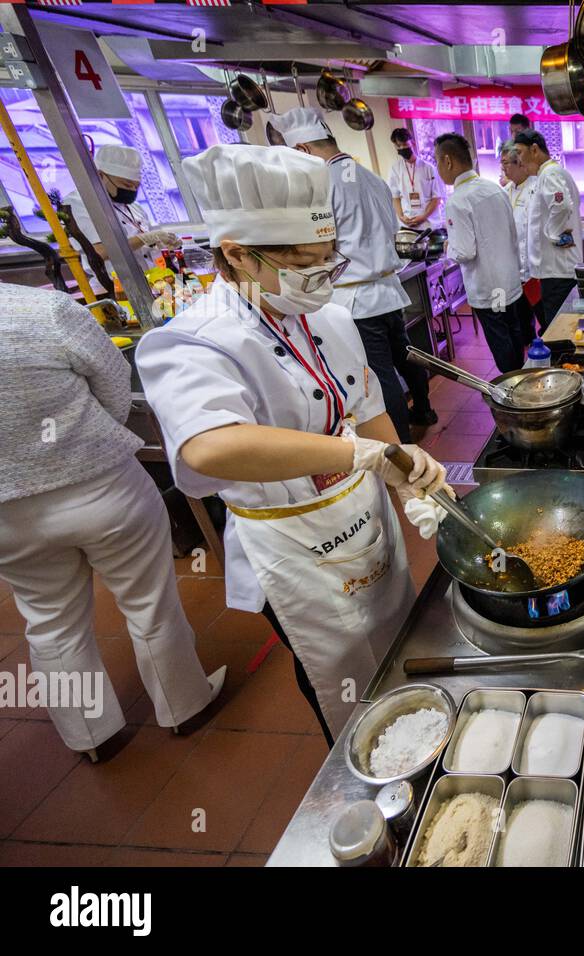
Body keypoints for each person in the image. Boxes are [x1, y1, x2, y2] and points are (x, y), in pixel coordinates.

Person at [136, 144, 449, 743]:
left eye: (329, 260)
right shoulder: (196, 341)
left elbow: (367, 411)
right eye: (305, 263)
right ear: (237, 256)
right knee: (340, 671)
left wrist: (407, 469)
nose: (322, 277)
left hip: (364, 514)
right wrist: (356, 454)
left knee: (399, 638)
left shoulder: (329, 319)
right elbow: (208, 449)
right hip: (291, 538)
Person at [0, 283, 223, 758]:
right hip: (101, 486)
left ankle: (92, 737)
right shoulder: (45, 309)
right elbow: (114, 382)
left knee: (49, 622)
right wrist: (93, 434)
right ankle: (184, 708)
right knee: (149, 603)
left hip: (6, 516)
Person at [271, 108, 435, 442]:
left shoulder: (321, 186)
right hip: (387, 291)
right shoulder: (371, 177)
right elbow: (391, 227)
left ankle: (400, 442)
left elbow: (320, 245)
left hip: (356, 299)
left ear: (302, 151)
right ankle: (424, 409)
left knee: (378, 374)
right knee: (405, 356)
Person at [437, 132, 533, 373]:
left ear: (448, 161)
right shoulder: (495, 189)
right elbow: (512, 233)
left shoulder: (458, 200)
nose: (438, 168)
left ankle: (512, 391)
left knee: (501, 342)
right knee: (513, 335)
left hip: (488, 289)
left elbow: (465, 252)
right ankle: (519, 381)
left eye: (438, 161)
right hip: (508, 282)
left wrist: (449, 248)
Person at [65, 144, 179, 275]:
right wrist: (144, 239)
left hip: (152, 278)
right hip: (114, 283)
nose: (131, 191)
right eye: (126, 184)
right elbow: (98, 252)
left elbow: (151, 244)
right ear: (100, 176)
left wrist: (166, 243)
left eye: (136, 187)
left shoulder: (134, 207)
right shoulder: (79, 203)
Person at [514, 129, 581, 328]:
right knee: (557, 326)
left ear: (534, 149)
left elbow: (561, 206)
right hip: (552, 270)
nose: (519, 160)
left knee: (558, 330)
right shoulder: (545, 174)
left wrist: (551, 235)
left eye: (520, 152)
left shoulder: (550, 173)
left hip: (556, 271)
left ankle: (563, 359)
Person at [500, 139, 545, 331]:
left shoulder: (536, 187)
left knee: (545, 320)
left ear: (519, 163)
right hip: (513, 271)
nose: (502, 169)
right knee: (521, 325)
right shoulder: (504, 192)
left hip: (535, 272)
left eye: (505, 163)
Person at [388, 127, 443, 229]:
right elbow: (395, 197)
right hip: (407, 225)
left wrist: (423, 217)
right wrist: (401, 217)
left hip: (429, 224)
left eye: (405, 144)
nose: (402, 148)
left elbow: (437, 198)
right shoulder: (395, 169)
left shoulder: (429, 168)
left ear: (412, 143)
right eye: (398, 146)